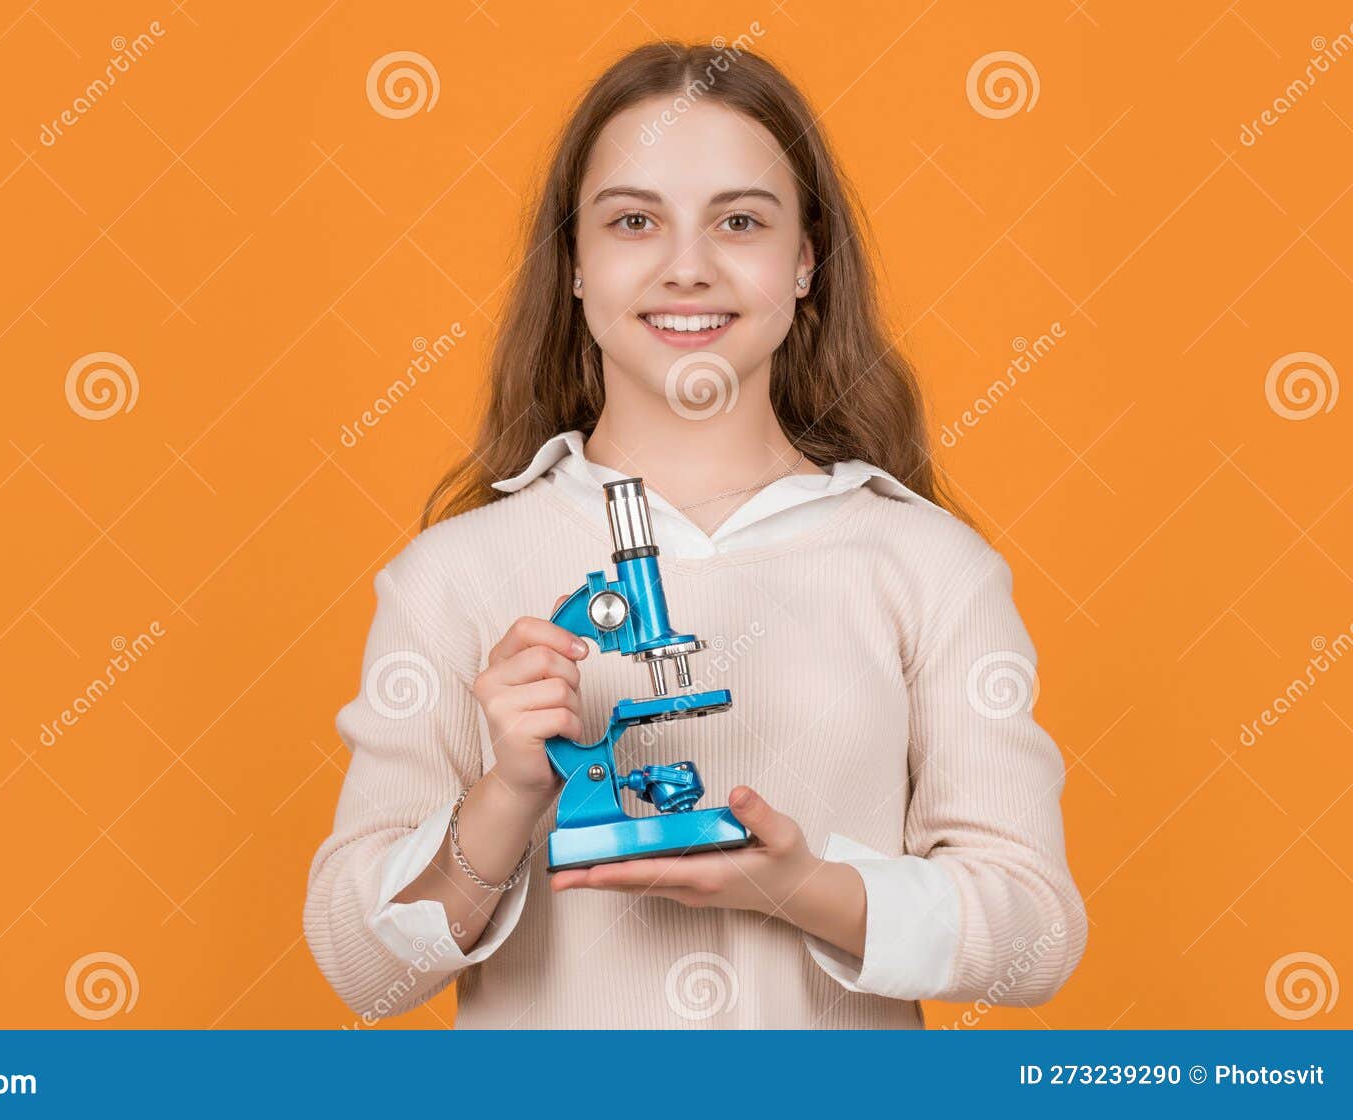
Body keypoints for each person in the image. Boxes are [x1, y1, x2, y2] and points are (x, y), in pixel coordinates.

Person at [303, 40, 1087, 1028]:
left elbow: (1036, 940)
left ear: (803, 262)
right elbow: (360, 974)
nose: (686, 267)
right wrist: (508, 791)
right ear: (577, 265)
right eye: (633, 221)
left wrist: (797, 886)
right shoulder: (451, 575)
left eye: (740, 222)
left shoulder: (929, 565)